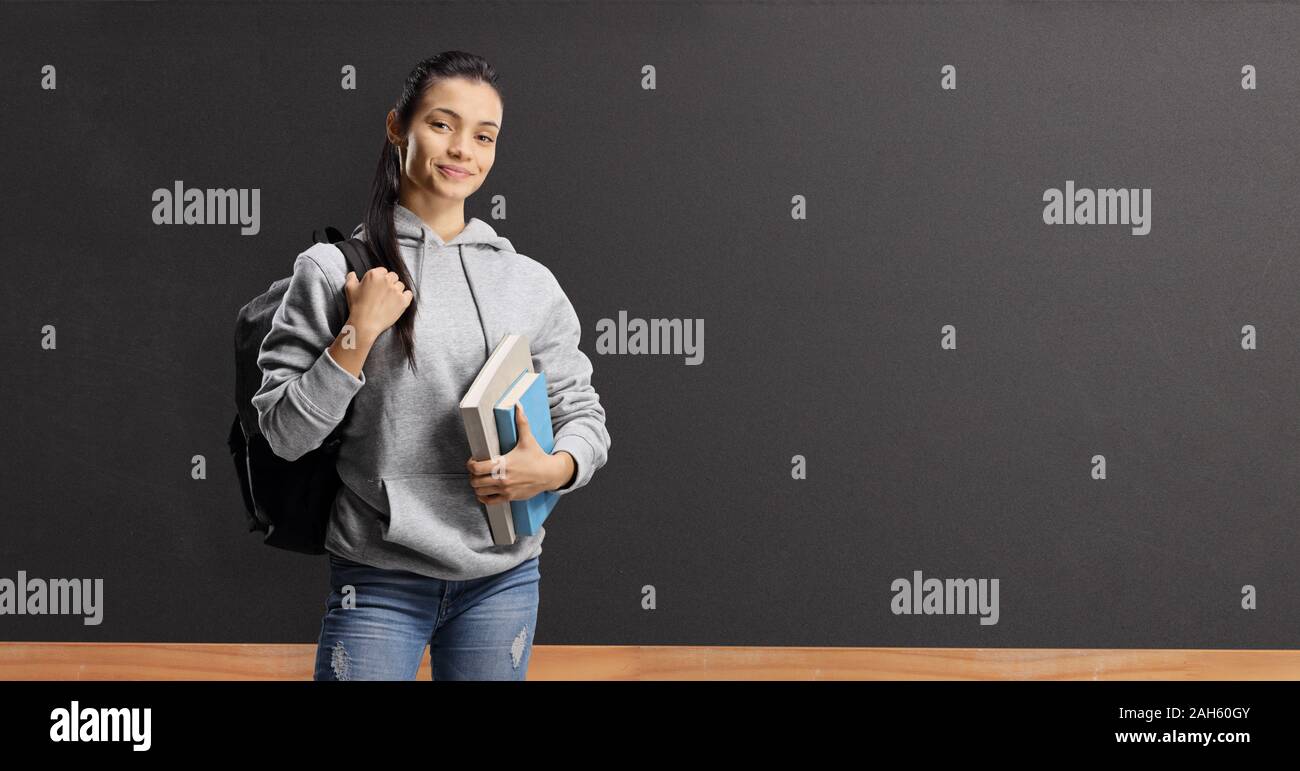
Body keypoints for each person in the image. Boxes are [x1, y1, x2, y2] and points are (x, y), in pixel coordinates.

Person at [251, 51, 611, 680]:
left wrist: (553, 468)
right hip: (378, 574)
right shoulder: (334, 271)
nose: (462, 150)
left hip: (504, 576)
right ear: (399, 127)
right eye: (442, 125)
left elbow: (583, 413)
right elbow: (283, 435)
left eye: (484, 136)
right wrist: (356, 335)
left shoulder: (530, 284)